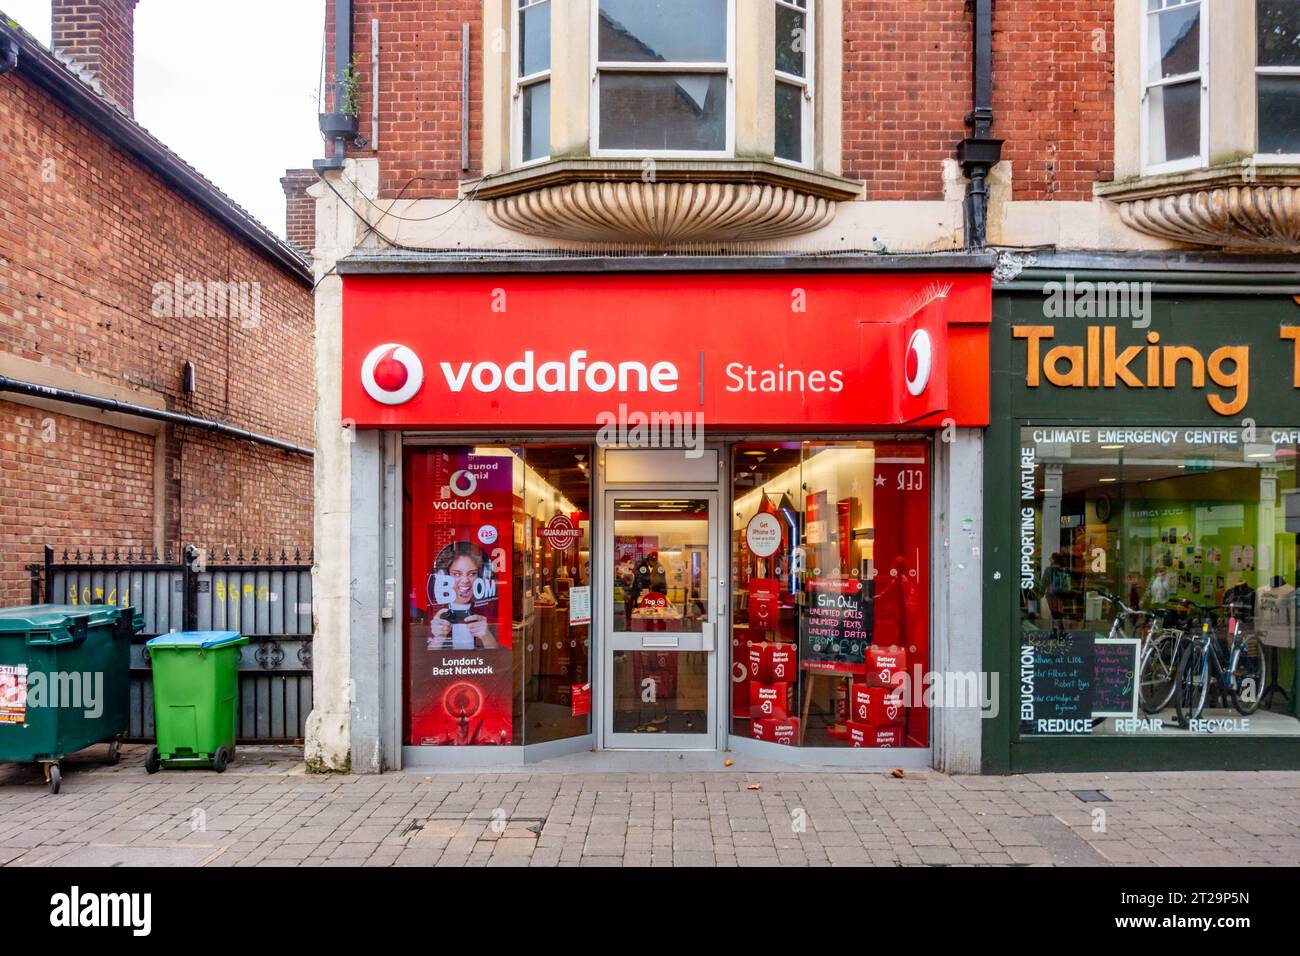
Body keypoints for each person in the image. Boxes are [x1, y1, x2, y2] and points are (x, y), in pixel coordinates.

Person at [429, 542, 499, 650]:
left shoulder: (489, 610)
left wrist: (486, 636)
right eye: (457, 574)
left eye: (472, 574)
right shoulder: (436, 615)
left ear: (481, 576)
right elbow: (425, 658)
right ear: (444, 575)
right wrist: (439, 638)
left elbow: (499, 657)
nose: (465, 580)